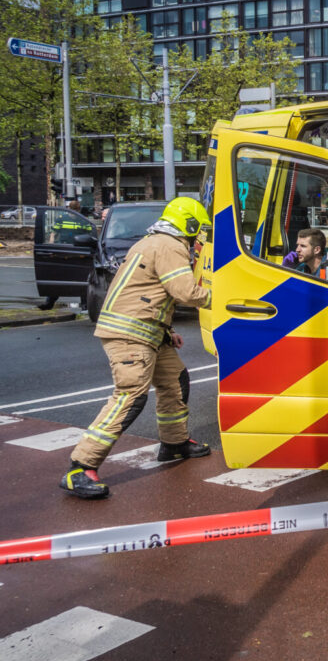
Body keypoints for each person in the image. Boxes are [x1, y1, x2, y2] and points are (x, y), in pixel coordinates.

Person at [59, 197, 213, 499]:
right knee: (129, 397)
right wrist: (223, 296)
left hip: (147, 331)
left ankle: (174, 443)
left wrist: (167, 331)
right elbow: (184, 291)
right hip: (132, 334)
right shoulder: (170, 245)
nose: (200, 237)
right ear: (190, 225)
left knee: (175, 381)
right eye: (200, 230)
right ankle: (80, 467)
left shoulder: (152, 242)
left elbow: (148, 292)